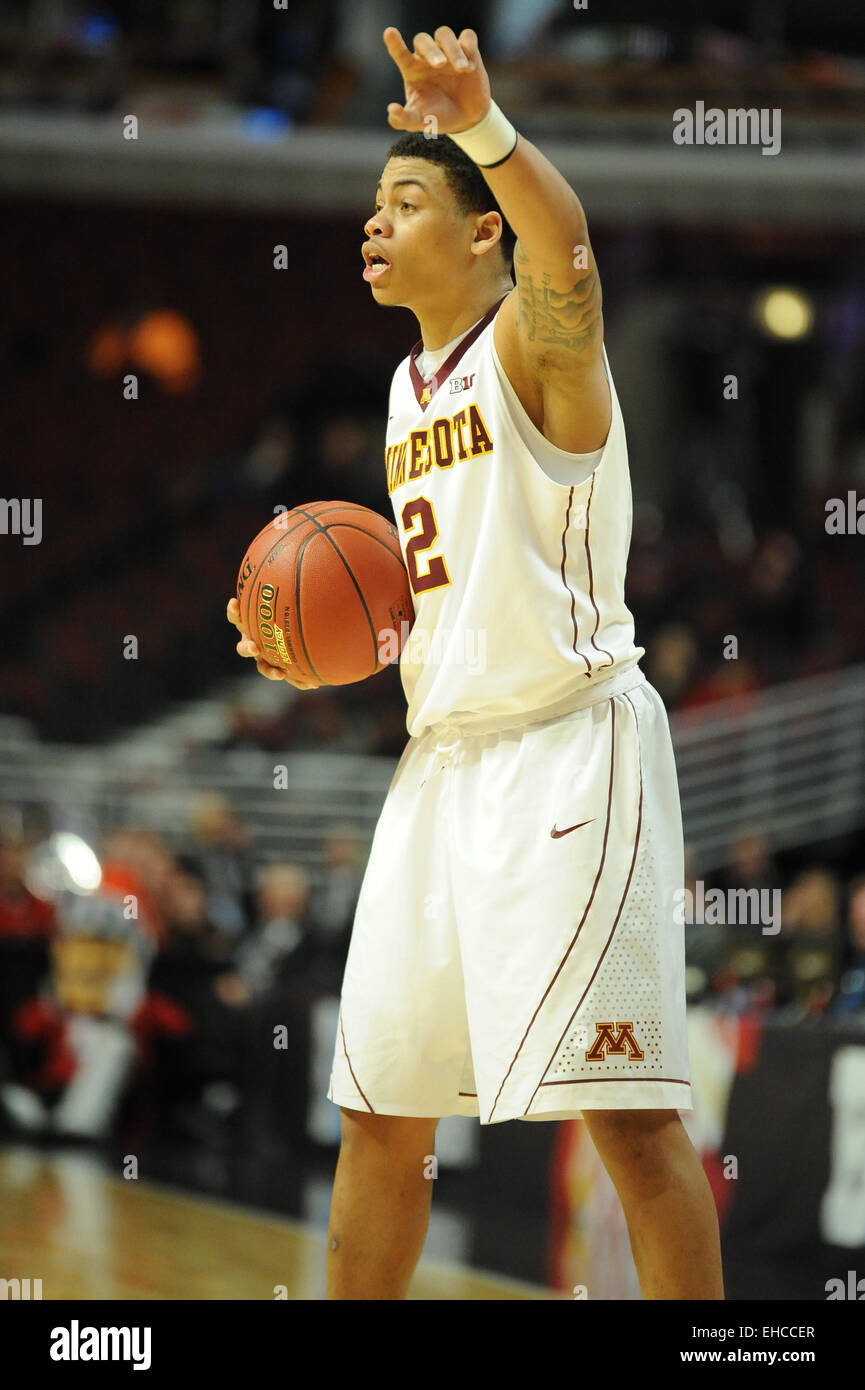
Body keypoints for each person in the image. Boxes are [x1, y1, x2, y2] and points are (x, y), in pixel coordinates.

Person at [227, 24, 723, 1301]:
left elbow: (569, 256)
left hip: (569, 747)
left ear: (482, 230)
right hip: (441, 767)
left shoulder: (534, 343)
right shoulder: (406, 388)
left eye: (405, 200)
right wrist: (303, 647)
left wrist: (483, 130)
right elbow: (426, 600)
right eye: (371, 203)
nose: (373, 224)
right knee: (384, 1111)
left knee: (625, 1119)